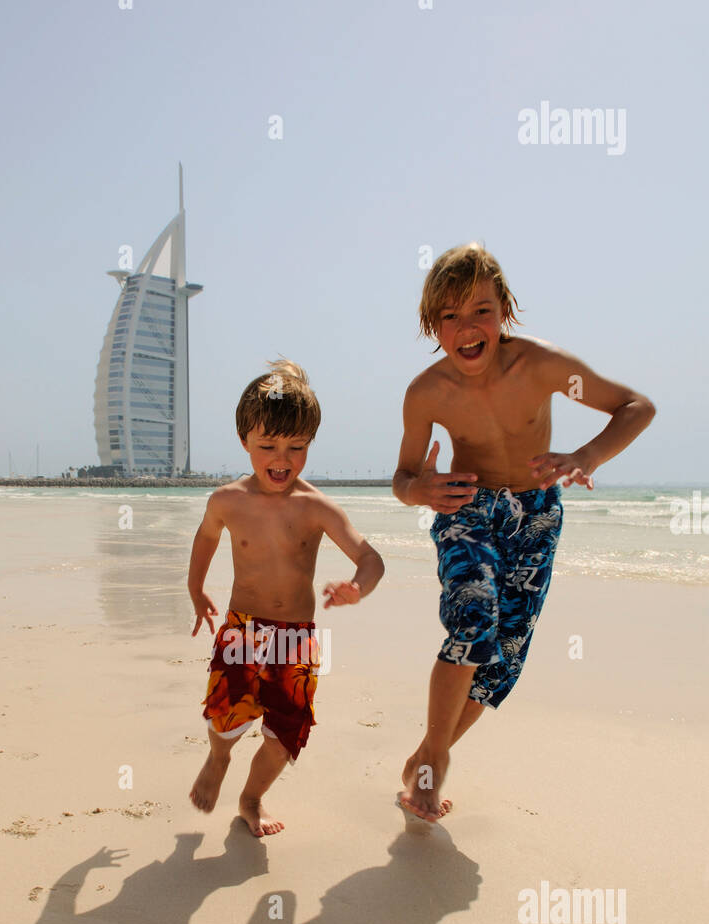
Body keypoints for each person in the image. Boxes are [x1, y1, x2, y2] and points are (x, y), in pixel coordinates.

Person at [392, 243, 655, 822]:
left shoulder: (541, 366)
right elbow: (403, 476)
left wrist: (586, 455)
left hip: (536, 517)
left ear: (503, 310)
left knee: (500, 665)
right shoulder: (427, 392)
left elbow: (636, 406)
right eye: (450, 316)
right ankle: (433, 774)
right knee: (473, 620)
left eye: (480, 310)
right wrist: (421, 490)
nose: (467, 328)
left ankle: (424, 756)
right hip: (468, 506)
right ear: (433, 325)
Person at [188, 359, 384, 837]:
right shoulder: (227, 501)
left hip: (295, 639)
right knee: (226, 713)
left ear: (310, 445)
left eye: (296, 447)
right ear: (244, 442)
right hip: (241, 630)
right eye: (268, 445)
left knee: (287, 733)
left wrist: (358, 588)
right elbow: (206, 538)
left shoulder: (315, 507)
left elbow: (371, 558)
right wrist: (195, 588)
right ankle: (218, 758)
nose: (282, 458)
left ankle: (252, 798)